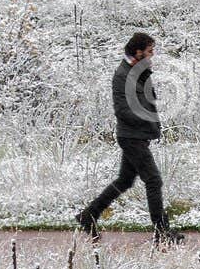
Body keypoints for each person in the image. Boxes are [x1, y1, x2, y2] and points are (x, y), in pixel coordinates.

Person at [76, 32, 185, 245]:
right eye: (150, 51)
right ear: (138, 52)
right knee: (153, 180)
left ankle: (89, 215)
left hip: (138, 136)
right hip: (131, 137)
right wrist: (146, 120)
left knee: (125, 180)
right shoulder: (122, 75)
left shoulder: (138, 70)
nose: (152, 55)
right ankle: (162, 233)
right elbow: (122, 110)